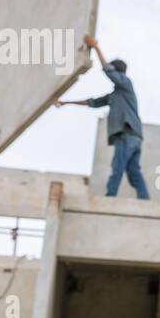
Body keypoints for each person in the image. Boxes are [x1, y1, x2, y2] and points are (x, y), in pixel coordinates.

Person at [55, 34, 150, 199]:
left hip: (126, 134)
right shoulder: (116, 95)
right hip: (135, 136)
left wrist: (96, 47)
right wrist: (66, 102)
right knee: (133, 171)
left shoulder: (126, 84)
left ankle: (110, 197)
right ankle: (145, 199)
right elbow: (93, 102)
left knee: (118, 166)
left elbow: (108, 71)